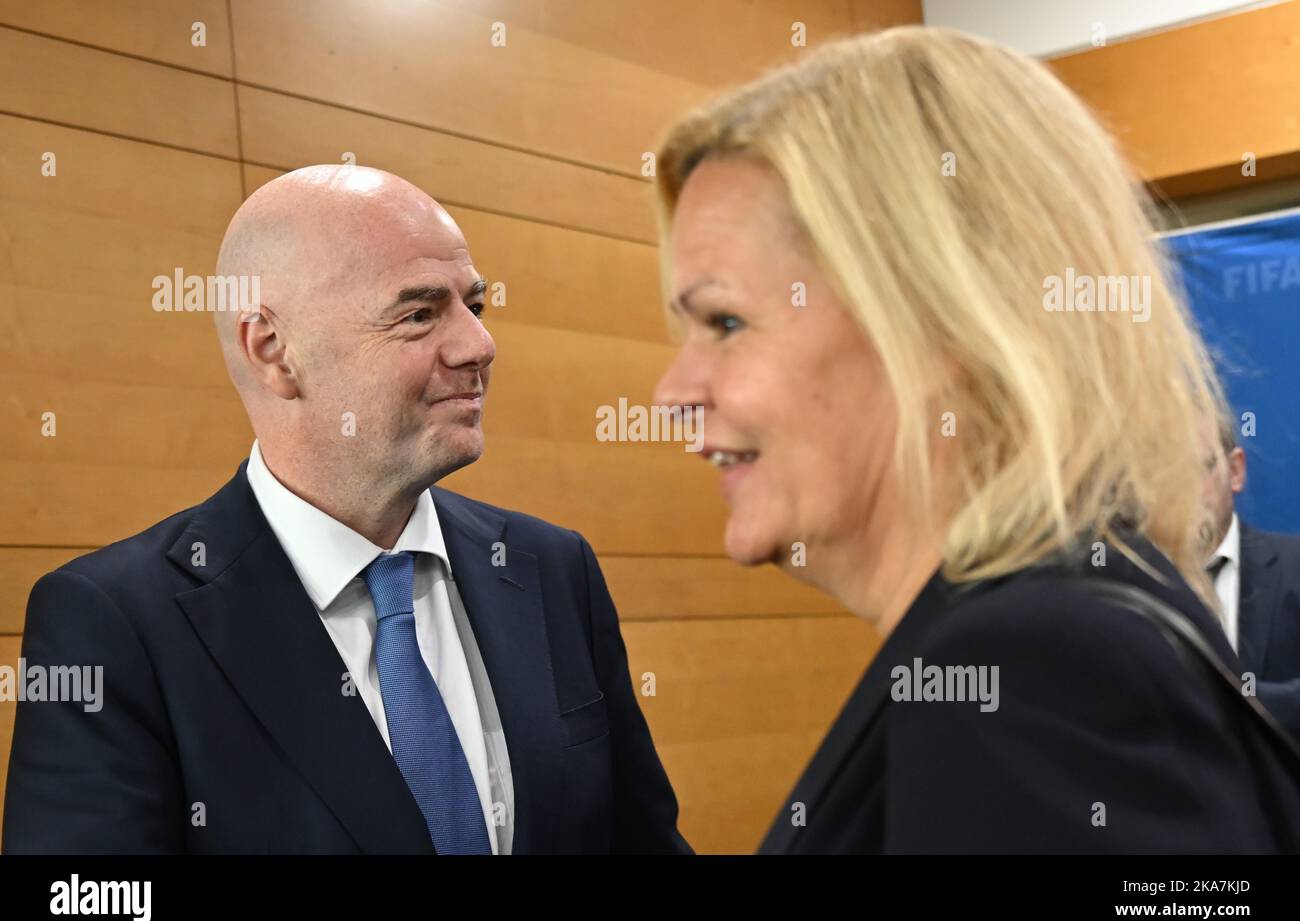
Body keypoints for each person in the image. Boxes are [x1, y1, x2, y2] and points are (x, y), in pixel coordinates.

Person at [652, 26, 1300, 852]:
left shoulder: (1029, 669)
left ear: (939, 322)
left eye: (726, 322)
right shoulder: (1056, 623)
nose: (673, 394)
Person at [4, 165, 690, 855]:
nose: (479, 346)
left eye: (473, 306)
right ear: (274, 351)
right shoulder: (113, 623)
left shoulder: (551, 570)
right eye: (419, 313)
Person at [1201, 412, 1300, 740]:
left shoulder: (1294, 566)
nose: (1180, 492)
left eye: (1197, 470)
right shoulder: (1127, 582)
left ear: (1235, 471)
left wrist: (1216, 700)